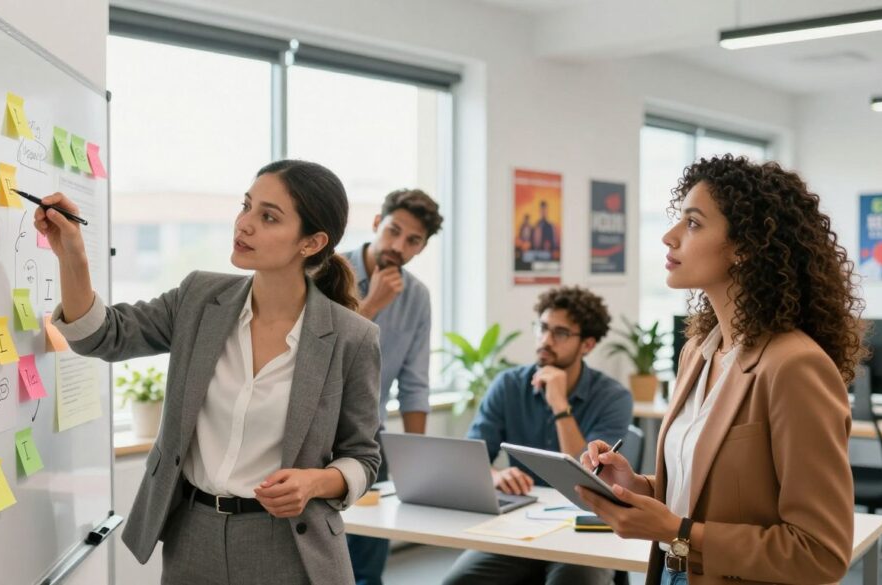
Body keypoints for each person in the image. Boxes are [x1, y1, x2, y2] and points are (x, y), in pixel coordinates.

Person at [35, 160, 382, 585]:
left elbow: (364, 458)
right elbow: (102, 336)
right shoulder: (199, 298)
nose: (244, 224)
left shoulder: (352, 338)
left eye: (268, 216)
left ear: (311, 242)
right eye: (247, 206)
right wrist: (73, 252)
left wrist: (316, 482)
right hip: (193, 533)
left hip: (289, 544)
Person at [577, 154, 865, 585]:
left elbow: (820, 553)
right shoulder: (697, 352)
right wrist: (638, 488)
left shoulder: (794, 366)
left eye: (693, 223)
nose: (669, 237)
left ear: (745, 246)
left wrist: (675, 532)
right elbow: (712, 492)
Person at [442, 285, 633, 585]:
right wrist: (493, 475)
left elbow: (587, 477)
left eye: (560, 333)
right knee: (457, 582)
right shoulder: (508, 386)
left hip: (583, 529)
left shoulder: (613, 397)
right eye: (542, 328)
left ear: (587, 345)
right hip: (521, 526)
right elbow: (470, 458)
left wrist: (560, 405)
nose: (545, 340)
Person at [341, 188, 443, 585]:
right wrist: (372, 306)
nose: (399, 246)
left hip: (369, 440)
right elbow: (318, 358)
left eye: (412, 240)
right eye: (393, 231)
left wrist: (416, 462)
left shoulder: (417, 297)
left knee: (368, 563)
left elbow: (415, 385)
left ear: (421, 247)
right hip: (311, 436)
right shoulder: (328, 271)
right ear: (375, 224)